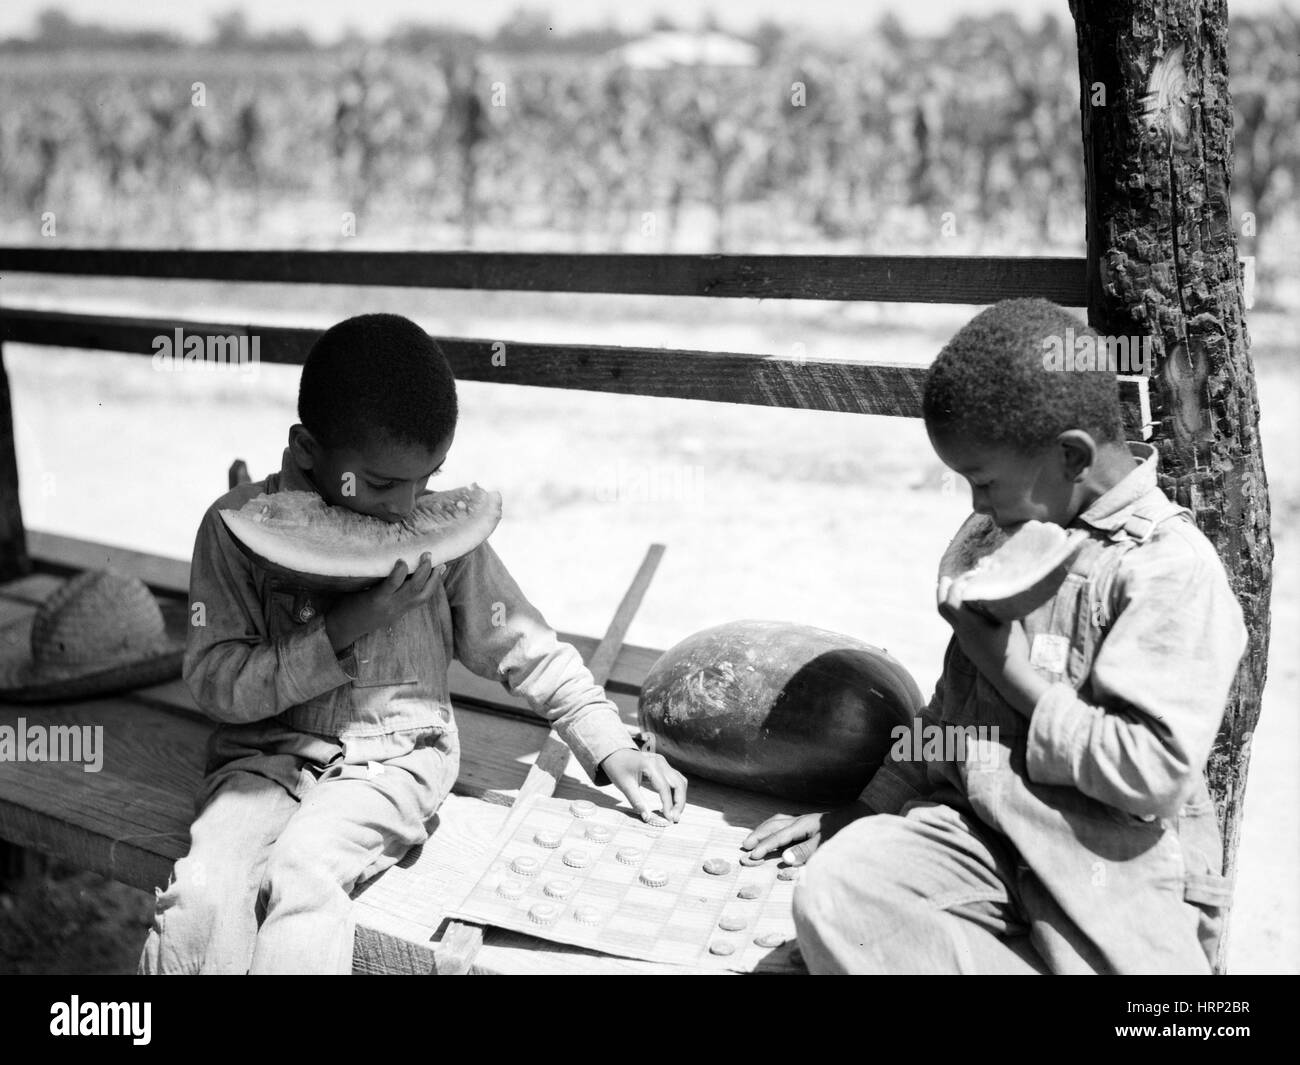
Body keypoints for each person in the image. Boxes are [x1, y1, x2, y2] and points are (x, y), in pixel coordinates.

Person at [139, 313, 686, 974]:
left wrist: (608, 740)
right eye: (379, 485)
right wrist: (337, 631)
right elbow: (215, 681)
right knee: (201, 895)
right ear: (308, 450)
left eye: (426, 481)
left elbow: (524, 643)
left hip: (396, 758)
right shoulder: (235, 529)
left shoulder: (444, 543)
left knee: (303, 874)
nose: (406, 509)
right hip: (260, 755)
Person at [743, 298, 1246, 974]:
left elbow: (1151, 772)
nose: (976, 507)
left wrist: (1017, 677)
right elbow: (950, 713)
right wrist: (864, 807)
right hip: (981, 843)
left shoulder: (1168, 570)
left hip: (1115, 872)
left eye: (982, 482)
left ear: (1071, 455)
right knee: (837, 887)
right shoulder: (1010, 539)